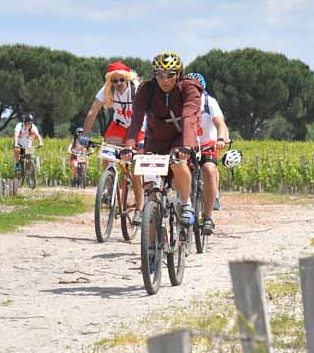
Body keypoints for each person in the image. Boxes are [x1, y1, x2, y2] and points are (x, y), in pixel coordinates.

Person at [123, 51, 202, 226]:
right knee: (152, 193)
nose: (164, 79)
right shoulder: (146, 89)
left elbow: (189, 117)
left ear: (179, 74)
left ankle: (186, 204)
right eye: (160, 75)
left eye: (170, 74)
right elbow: (136, 119)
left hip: (181, 138)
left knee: (177, 161)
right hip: (156, 139)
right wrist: (129, 146)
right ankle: (151, 247)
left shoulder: (189, 88)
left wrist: (187, 146)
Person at [80, 61, 144, 219]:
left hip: (138, 126)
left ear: (128, 79)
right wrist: (85, 135)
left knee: (137, 168)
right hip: (119, 125)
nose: (119, 83)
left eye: (122, 80)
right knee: (107, 154)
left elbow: (148, 114)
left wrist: (146, 137)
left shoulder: (137, 89)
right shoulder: (106, 90)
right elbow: (92, 112)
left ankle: (140, 208)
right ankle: (108, 188)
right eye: (114, 81)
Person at [187, 73, 230, 235]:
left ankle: (208, 217)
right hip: (189, 145)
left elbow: (220, 123)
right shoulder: (182, 102)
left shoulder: (209, 102)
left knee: (209, 170)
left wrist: (220, 138)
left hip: (207, 144)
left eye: (197, 88)